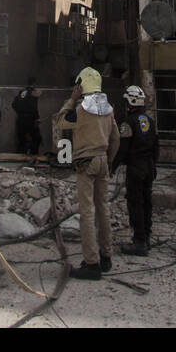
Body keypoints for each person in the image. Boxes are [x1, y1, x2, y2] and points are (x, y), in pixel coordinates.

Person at [53, 66, 120, 280]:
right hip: (102, 160)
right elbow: (116, 138)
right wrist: (109, 159)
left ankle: (91, 264)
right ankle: (106, 256)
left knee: (87, 212)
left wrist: (71, 100)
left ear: (80, 85)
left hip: (86, 162)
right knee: (104, 209)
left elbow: (61, 121)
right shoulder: (108, 108)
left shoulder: (81, 109)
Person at [111, 84, 159, 256]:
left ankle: (139, 242)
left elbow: (122, 149)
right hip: (149, 167)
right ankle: (146, 236)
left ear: (130, 102)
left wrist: (112, 167)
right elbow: (156, 147)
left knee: (135, 202)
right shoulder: (150, 121)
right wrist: (153, 166)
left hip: (136, 168)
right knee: (147, 201)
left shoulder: (127, 123)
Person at [12, 77, 42, 156]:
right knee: (37, 138)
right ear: (34, 83)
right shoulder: (33, 92)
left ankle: (20, 156)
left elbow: (14, 104)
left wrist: (20, 112)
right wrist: (37, 118)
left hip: (20, 119)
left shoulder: (22, 91)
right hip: (30, 119)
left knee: (21, 139)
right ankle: (33, 155)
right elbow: (33, 107)